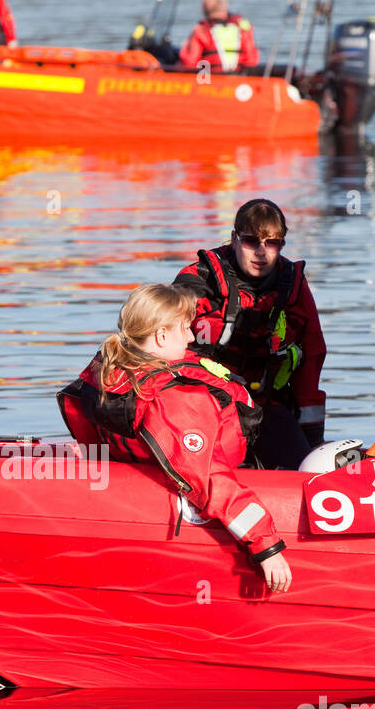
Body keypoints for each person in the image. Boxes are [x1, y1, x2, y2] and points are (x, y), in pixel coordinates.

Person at [57, 284, 292, 592]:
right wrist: (266, 546)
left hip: (143, 473)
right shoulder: (174, 400)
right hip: (213, 476)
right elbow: (209, 477)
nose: (192, 338)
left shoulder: (108, 369)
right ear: (161, 336)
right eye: (185, 329)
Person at [172, 199, 326, 469]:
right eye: (251, 241)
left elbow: (312, 355)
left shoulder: (293, 287)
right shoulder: (198, 280)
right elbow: (162, 343)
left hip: (267, 407)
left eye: (272, 243)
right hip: (206, 407)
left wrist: (313, 440)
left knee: (305, 468)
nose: (261, 252)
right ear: (234, 239)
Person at [179, 0, 260, 74]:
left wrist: (184, 49)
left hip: (210, 82)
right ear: (225, 5)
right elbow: (252, 61)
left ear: (207, 6)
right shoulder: (243, 27)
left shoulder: (201, 30)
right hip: (238, 81)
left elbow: (189, 63)